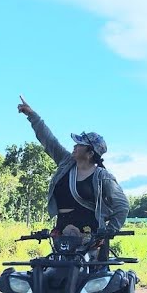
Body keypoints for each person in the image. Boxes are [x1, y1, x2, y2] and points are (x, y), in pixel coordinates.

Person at [16, 95, 129, 247]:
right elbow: (49, 141)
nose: (75, 146)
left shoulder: (103, 177)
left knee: (92, 271)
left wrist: (108, 231)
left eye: (80, 144)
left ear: (90, 153)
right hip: (62, 234)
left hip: (92, 239)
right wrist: (32, 115)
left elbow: (122, 207)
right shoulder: (66, 162)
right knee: (57, 269)